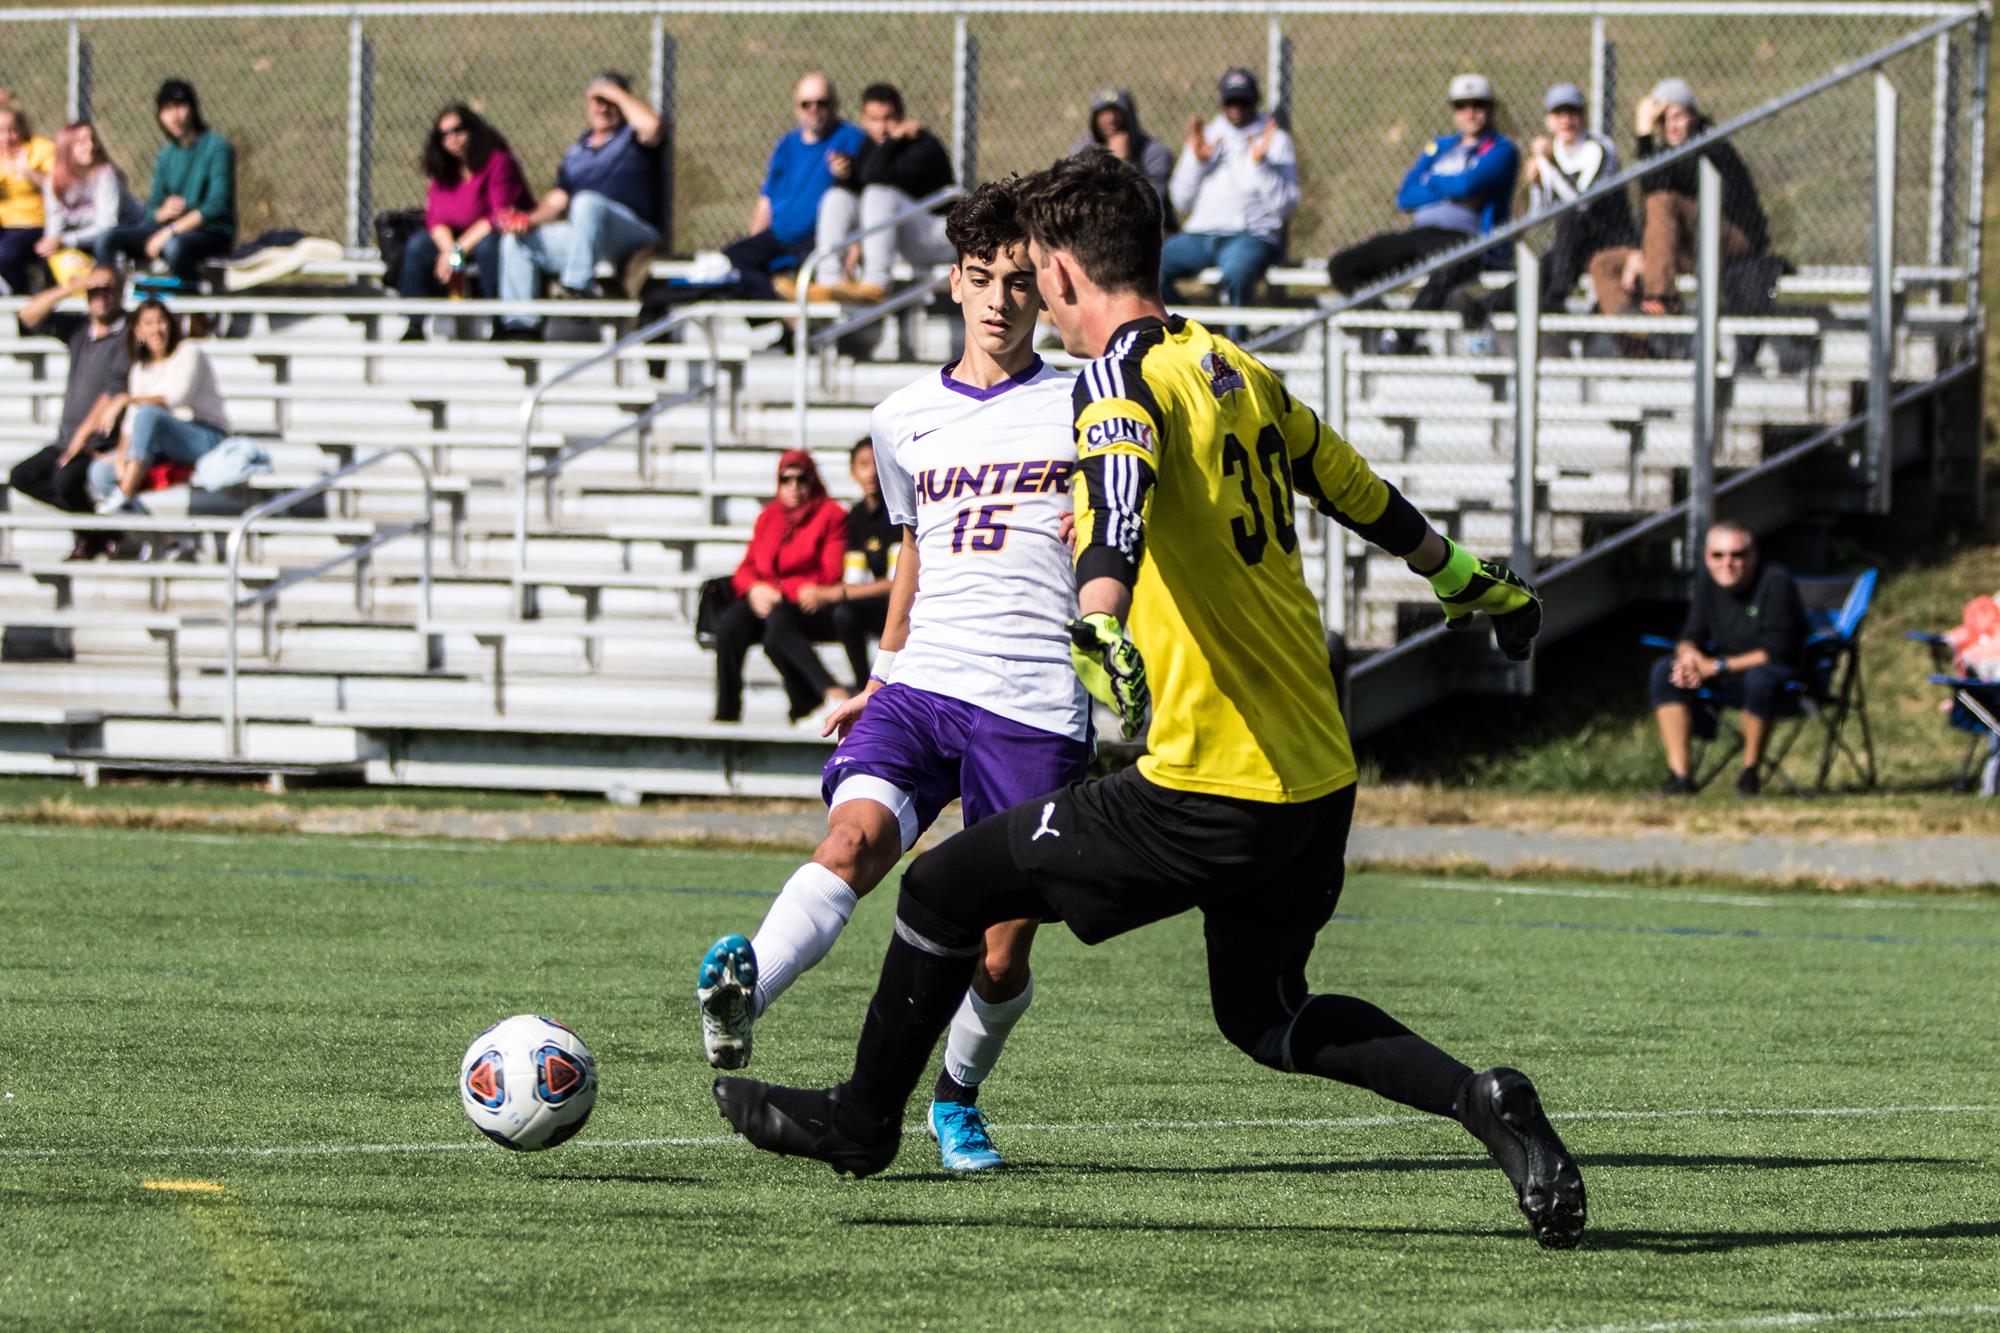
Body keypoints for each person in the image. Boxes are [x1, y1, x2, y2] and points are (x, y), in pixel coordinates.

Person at [711, 150, 1586, 1251]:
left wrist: (1101, 614)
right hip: (1314, 781)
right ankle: (1480, 1099)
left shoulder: (1111, 383)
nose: (1026, 293)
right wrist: (1463, 577)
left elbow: (1114, 491)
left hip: (1207, 786)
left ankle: (860, 1119)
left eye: (1033, 270)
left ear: (1065, 275)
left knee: (939, 886)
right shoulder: (1232, 368)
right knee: (1261, 1013)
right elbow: (1347, 482)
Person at [697, 180, 1089, 1174]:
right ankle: (745, 991)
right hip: (923, 687)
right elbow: (914, 549)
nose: (997, 300)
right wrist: (885, 671)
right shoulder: (901, 417)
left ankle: (953, 1098)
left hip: (1035, 700)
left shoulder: (1084, 403)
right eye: (978, 278)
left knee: (1001, 947)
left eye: (1016, 282)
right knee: (852, 838)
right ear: (950, 283)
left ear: (1043, 292)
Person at [1328, 73, 1519, 352]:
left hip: (1468, 238)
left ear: (1490, 108)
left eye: (1478, 104)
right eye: (1462, 105)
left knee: (1450, 265)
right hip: (1421, 233)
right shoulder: (1441, 147)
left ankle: (1403, 339)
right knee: (1342, 266)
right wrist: (1455, 189)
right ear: (1453, 110)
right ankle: (1388, 328)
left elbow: (1469, 183)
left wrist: (1433, 183)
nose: (1471, 112)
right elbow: (1405, 196)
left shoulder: (1502, 150)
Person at [494, 74, 663, 338]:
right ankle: (520, 326)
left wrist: (613, 91)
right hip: (587, 237)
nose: (603, 107)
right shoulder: (577, 152)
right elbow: (556, 202)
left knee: (586, 202)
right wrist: (527, 221)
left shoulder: (633, 137)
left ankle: (576, 288)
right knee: (517, 242)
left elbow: (652, 126)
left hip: (633, 233)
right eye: (597, 100)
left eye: (610, 101)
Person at [1586, 79, 1768, 318]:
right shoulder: (1664, 153)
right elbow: (1651, 205)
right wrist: (1639, 254)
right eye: (1663, 120)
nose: (1671, 126)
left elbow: (1660, 187)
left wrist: (1644, 134)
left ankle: (1661, 299)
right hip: (1690, 248)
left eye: (1678, 116)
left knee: (1663, 200)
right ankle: (1639, 341)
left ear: (1694, 116)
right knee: (1604, 264)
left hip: (1732, 239)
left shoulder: (1711, 146)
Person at [1650, 521, 1803, 797]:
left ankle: (1749, 773)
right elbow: (1690, 634)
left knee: (1760, 679)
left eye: (1737, 555)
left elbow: (1776, 650)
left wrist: (1716, 666)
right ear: (1708, 557)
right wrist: (1689, 658)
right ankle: (1680, 777)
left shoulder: (1775, 581)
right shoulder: (1707, 582)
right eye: (1718, 555)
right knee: (1664, 671)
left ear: (1753, 556)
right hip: (1721, 674)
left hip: (1774, 673)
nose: (1727, 563)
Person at [712, 450, 853, 725]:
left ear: (813, 481)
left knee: (777, 628)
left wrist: (780, 590)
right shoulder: (769, 517)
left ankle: (813, 701)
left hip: (806, 603)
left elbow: (830, 573)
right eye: (785, 480)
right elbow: (745, 568)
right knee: (730, 624)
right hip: (766, 597)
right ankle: (726, 713)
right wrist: (754, 589)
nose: (794, 487)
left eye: (801, 479)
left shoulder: (831, 515)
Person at [5, 263, 130, 559]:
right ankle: (100, 532)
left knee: (66, 480)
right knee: (23, 476)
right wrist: (73, 287)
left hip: (100, 444)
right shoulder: (79, 329)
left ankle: (91, 538)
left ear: (121, 292)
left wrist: (82, 438)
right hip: (68, 440)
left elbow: (113, 391)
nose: (100, 297)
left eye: (107, 289)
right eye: (94, 290)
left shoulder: (129, 334)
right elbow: (27, 316)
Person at [803, 83, 955, 304]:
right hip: (902, 238)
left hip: (937, 236)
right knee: (836, 198)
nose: (881, 127)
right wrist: (845, 175)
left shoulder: (922, 145)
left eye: (888, 118)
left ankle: (876, 283)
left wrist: (894, 140)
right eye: (873, 120)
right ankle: (828, 281)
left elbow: (877, 176)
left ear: (902, 116)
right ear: (863, 119)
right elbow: (855, 186)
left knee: (878, 193)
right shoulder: (872, 147)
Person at [1159, 68, 1298, 309]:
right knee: (1148, 268)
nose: (1237, 107)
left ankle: (1238, 341)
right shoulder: (1208, 136)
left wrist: (1261, 165)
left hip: (1250, 236)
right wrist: (1197, 162)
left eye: (1244, 101)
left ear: (1256, 101)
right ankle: (1192, 329)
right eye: (1231, 101)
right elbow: (1181, 200)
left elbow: (1286, 206)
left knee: (1237, 272)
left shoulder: (1275, 140)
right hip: (1200, 235)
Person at [722, 73, 866, 302]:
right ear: (796, 108)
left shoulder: (850, 138)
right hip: (780, 235)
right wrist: (754, 239)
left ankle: (793, 319)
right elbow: (767, 200)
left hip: (816, 238)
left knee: (803, 271)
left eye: (822, 103)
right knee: (734, 258)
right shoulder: (786, 145)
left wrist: (847, 173)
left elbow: (861, 191)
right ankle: (785, 321)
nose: (814, 109)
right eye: (806, 104)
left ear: (835, 104)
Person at [90, 298, 229, 513]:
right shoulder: (140, 368)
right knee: (100, 472)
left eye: (161, 322)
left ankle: (125, 491)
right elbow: (130, 425)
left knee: (149, 414)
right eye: (149, 323)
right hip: (160, 444)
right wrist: (120, 458)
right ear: (138, 331)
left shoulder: (189, 351)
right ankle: (161, 537)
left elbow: (178, 397)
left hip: (205, 435)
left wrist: (126, 399)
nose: (156, 329)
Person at [402, 105, 531, 334]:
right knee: (417, 247)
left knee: (488, 249)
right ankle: (414, 324)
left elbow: (498, 216)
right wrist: (450, 251)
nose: (452, 139)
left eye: (458, 130)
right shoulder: (446, 171)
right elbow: (435, 218)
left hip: (497, 234)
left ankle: (500, 323)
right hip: (457, 241)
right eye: (445, 135)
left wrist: (456, 252)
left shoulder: (499, 163)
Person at [94, 80, 236, 286]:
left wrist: (170, 231)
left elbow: (216, 205)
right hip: (167, 231)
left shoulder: (217, 148)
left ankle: (197, 305)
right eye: (167, 109)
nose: (174, 116)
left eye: (179, 107)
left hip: (210, 233)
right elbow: (152, 210)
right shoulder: (166, 155)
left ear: (192, 109)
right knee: (107, 239)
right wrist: (163, 213)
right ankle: (110, 299)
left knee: (174, 248)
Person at [1520, 83, 1634, 312]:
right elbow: (1540, 217)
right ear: (1548, 120)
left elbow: (1581, 203)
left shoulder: (1599, 149)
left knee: (1568, 221)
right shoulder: (1551, 153)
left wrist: (1551, 165)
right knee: (1541, 269)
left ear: (1583, 115)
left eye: (1572, 112)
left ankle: (1556, 297)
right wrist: (1536, 186)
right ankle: (1484, 306)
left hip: (1608, 236)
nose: (1566, 120)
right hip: (1573, 243)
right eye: (1558, 113)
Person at [826, 438, 897, 688]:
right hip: (876, 600)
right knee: (843, 613)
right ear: (853, 471)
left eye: (877, 463)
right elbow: (855, 578)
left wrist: (841, 592)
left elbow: (898, 583)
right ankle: (863, 686)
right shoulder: (856, 517)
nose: (872, 472)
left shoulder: (900, 512)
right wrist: (844, 592)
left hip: (901, 604)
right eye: (863, 464)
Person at [37, 121, 144, 286]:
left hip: (130, 230)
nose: (91, 146)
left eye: (93, 140)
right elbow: (54, 224)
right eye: (81, 142)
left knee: (104, 241)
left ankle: (108, 290)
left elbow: (107, 226)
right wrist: (51, 242)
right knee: (49, 252)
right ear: (66, 148)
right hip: (86, 236)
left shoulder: (105, 175)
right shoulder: (53, 181)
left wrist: (66, 240)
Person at [1072, 88, 1173, 209]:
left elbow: (1151, 204)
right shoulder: (1082, 152)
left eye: (1116, 111)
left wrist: (1122, 163)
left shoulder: (1155, 153)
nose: (1111, 119)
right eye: (1104, 112)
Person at [0, 100, 55, 295]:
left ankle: (21, 297)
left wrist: (28, 172)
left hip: (34, 225)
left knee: (5, 253)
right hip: (3, 226)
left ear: (23, 127)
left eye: (12, 130)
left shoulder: (40, 149)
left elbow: (56, 187)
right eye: (0, 131)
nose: (6, 138)